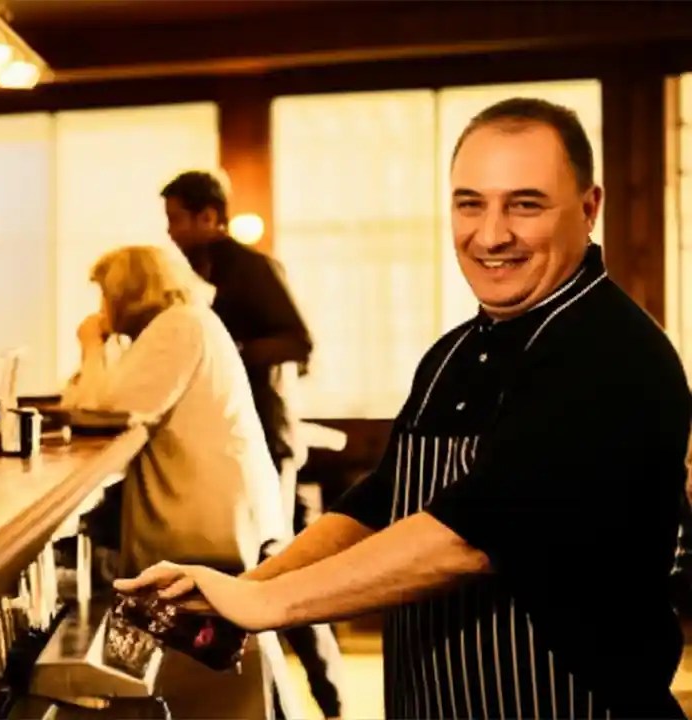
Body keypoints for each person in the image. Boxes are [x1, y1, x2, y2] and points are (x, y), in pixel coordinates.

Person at [120, 98, 692, 719]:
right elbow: (382, 501)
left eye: (525, 204)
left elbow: (473, 537)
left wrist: (267, 606)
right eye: (470, 204)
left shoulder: (609, 353)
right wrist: (246, 589)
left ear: (589, 207)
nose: (491, 234)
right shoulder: (454, 353)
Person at [162, 170, 343, 719]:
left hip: (268, 439)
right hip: (233, 445)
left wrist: (229, 354)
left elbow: (299, 340)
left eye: (177, 218)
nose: (169, 231)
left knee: (281, 563)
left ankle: (326, 697)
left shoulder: (252, 268)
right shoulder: (191, 273)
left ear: (209, 217)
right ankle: (274, 698)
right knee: (262, 568)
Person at [62, 244, 284, 576]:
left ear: (127, 293)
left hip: (205, 518)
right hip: (216, 507)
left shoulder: (177, 326)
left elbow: (104, 411)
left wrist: (91, 344)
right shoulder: (182, 322)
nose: (101, 307)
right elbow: (89, 399)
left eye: (105, 294)